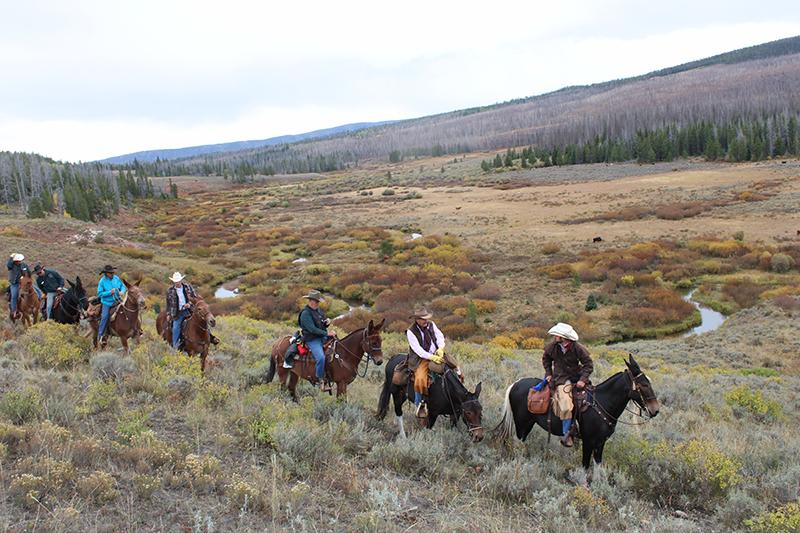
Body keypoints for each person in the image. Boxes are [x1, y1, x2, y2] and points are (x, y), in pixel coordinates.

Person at [542, 322, 594, 447]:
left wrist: (582, 379)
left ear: (564, 337)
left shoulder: (577, 348)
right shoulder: (552, 347)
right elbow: (546, 358)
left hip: (577, 377)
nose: (555, 337)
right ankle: (567, 433)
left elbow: (588, 364)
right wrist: (548, 373)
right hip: (560, 378)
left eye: (557, 335)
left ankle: (589, 428)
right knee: (565, 404)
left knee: (590, 400)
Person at [406, 307, 446, 419]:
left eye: (426, 318)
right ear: (417, 319)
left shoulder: (431, 325)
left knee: (455, 367)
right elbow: (418, 350)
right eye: (423, 319)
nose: (426, 321)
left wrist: (441, 348)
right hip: (421, 358)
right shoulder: (411, 331)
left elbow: (440, 337)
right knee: (420, 379)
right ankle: (420, 404)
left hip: (437, 354)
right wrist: (431, 357)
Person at [297, 290, 332, 392]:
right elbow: (312, 329)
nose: (315, 303)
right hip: (312, 339)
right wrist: (327, 333)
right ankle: (320, 380)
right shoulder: (305, 314)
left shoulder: (318, 311)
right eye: (313, 301)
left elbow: (322, 323)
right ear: (309, 301)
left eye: (317, 301)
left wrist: (327, 323)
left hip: (321, 337)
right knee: (321, 358)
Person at [166, 271, 196, 349]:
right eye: (175, 281)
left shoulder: (188, 287)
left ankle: (211, 337)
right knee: (176, 327)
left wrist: (189, 303)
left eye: (178, 281)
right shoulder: (170, 291)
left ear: (181, 280)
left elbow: (195, 298)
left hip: (189, 310)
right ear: (173, 281)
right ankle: (175, 346)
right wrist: (168, 314)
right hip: (177, 313)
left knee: (202, 320)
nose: (177, 283)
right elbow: (168, 303)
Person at [97, 265, 126, 341]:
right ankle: (100, 334)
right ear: (106, 273)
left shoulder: (116, 278)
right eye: (110, 273)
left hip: (117, 300)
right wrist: (110, 292)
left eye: (112, 272)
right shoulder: (102, 281)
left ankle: (137, 329)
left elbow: (123, 287)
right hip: (107, 303)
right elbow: (99, 294)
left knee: (128, 309)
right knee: (104, 316)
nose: (112, 274)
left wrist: (122, 292)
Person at [7, 253, 35, 319]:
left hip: (24, 283)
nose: (19, 262)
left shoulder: (24, 265)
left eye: (19, 260)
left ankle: (35, 308)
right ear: (15, 261)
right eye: (17, 261)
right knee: (14, 296)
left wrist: (29, 280)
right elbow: (8, 265)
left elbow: (29, 273)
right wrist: (11, 257)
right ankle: (14, 311)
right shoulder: (11, 265)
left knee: (37, 292)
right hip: (15, 283)